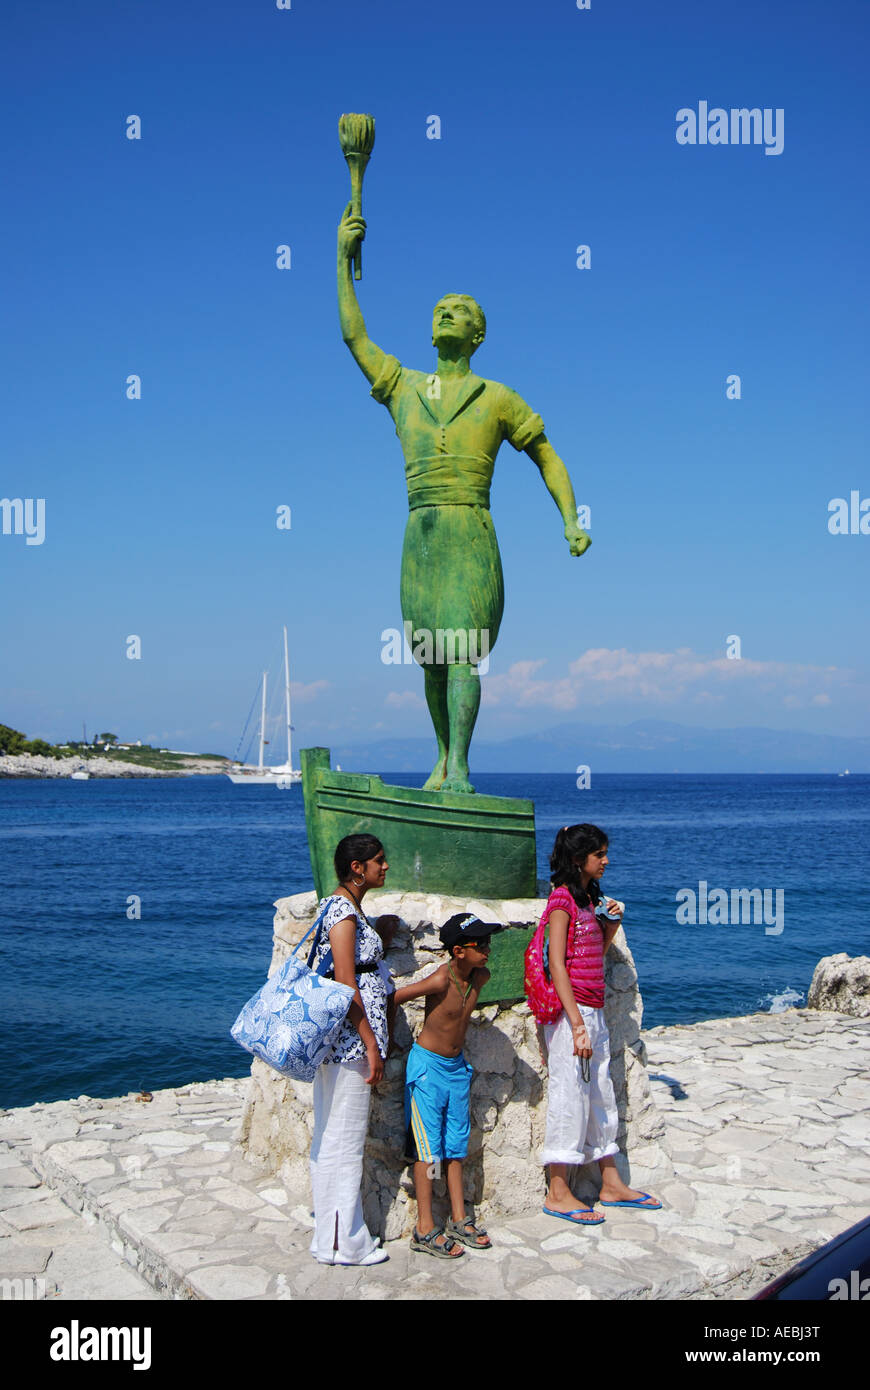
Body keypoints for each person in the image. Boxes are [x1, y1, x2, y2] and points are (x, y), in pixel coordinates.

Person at [337, 205, 590, 793]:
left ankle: (462, 768)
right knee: (428, 654)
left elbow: (546, 454)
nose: (445, 313)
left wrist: (570, 520)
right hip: (419, 533)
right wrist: (343, 260)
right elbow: (354, 335)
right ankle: (444, 757)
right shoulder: (402, 387)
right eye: (438, 310)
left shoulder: (496, 396)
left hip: (470, 530)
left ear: (477, 334)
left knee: (463, 652)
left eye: (459, 311)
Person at [540, 824, 662, 1223]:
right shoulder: (560, 902)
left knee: (600, 1095)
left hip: (592, 1009)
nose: (606, 861)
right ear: (579, 861)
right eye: (599, 855)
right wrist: (575, 1024)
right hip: (570, 1015)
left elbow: (593, 954)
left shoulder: (589, 901)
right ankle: (558, 1191)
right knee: (569, 1095)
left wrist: (608, 926)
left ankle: (610, 1182)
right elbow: (557, 964)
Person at [306, 833, 392, 1265]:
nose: (385, 866)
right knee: (344, 1139)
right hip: (348, 1046)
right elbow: (345, 984)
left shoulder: (347, 909)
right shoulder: (342, 911)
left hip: (342, 1044)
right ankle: (345, 1243)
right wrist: (371, 1045)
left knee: (330, 1135)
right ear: (357, 868)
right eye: (379, 861)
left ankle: (329, 1236)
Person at [393, 911, 498, 1258]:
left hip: (456, 1070)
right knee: (429, 1151)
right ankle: (424, 1228)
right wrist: (381, 1042)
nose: (486, 949)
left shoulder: (479, 977)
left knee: (456, 1147)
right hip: (428, 1070)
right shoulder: (441, 980)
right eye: (478, 944)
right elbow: (396, 997)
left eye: (487, 942)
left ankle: (459, 1217)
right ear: (457, 951)